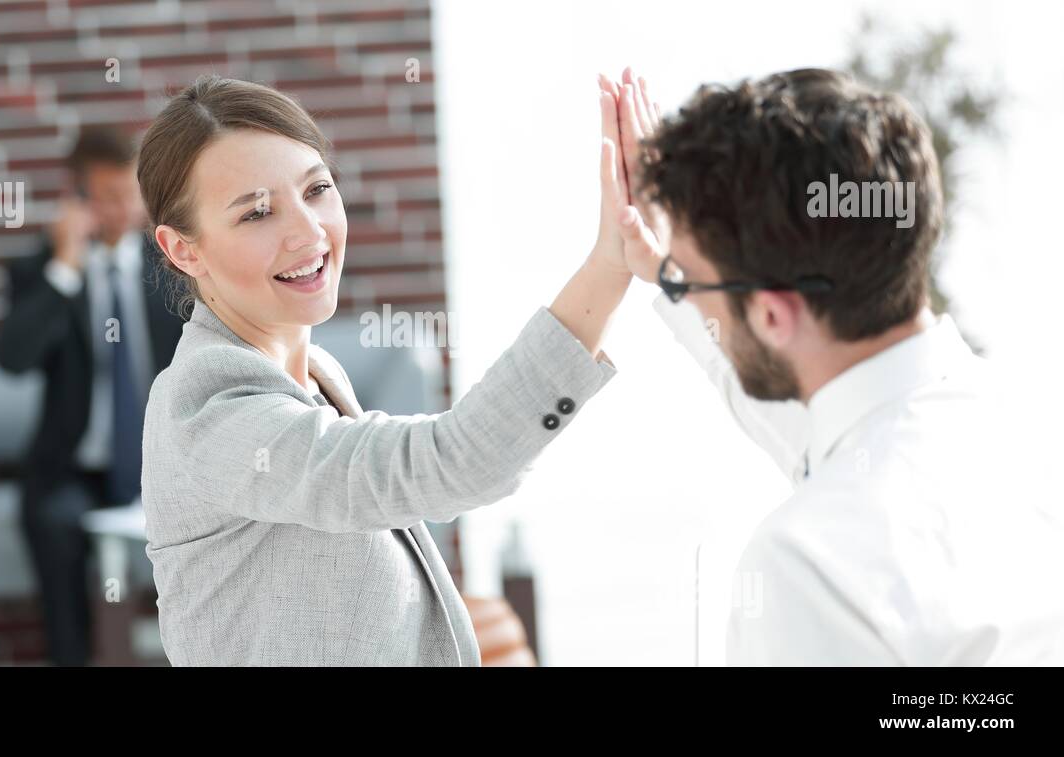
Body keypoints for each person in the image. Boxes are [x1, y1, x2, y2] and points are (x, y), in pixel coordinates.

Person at [137, 73, 653, 665]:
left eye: (316, 189)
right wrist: (610, 265)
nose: (308, 232)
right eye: (256, 213)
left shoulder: (316, 377)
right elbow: (452, 462)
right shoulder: (208, 405)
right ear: (184, 249)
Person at [608, 67, 1064, 664]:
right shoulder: (1026, 423)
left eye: (688, 281)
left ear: (772, 316)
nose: (686, 293)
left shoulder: (807, 567)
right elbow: (811, 424)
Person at [0, 127, 184, 666]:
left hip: (166, 462)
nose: (124, 209)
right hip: (72, 469)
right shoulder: (42, 270)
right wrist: (65, 269)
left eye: (131, 194)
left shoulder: (172, 264)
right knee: (54, 529)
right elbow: (12, 360)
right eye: (107, 196)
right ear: (77, 197)